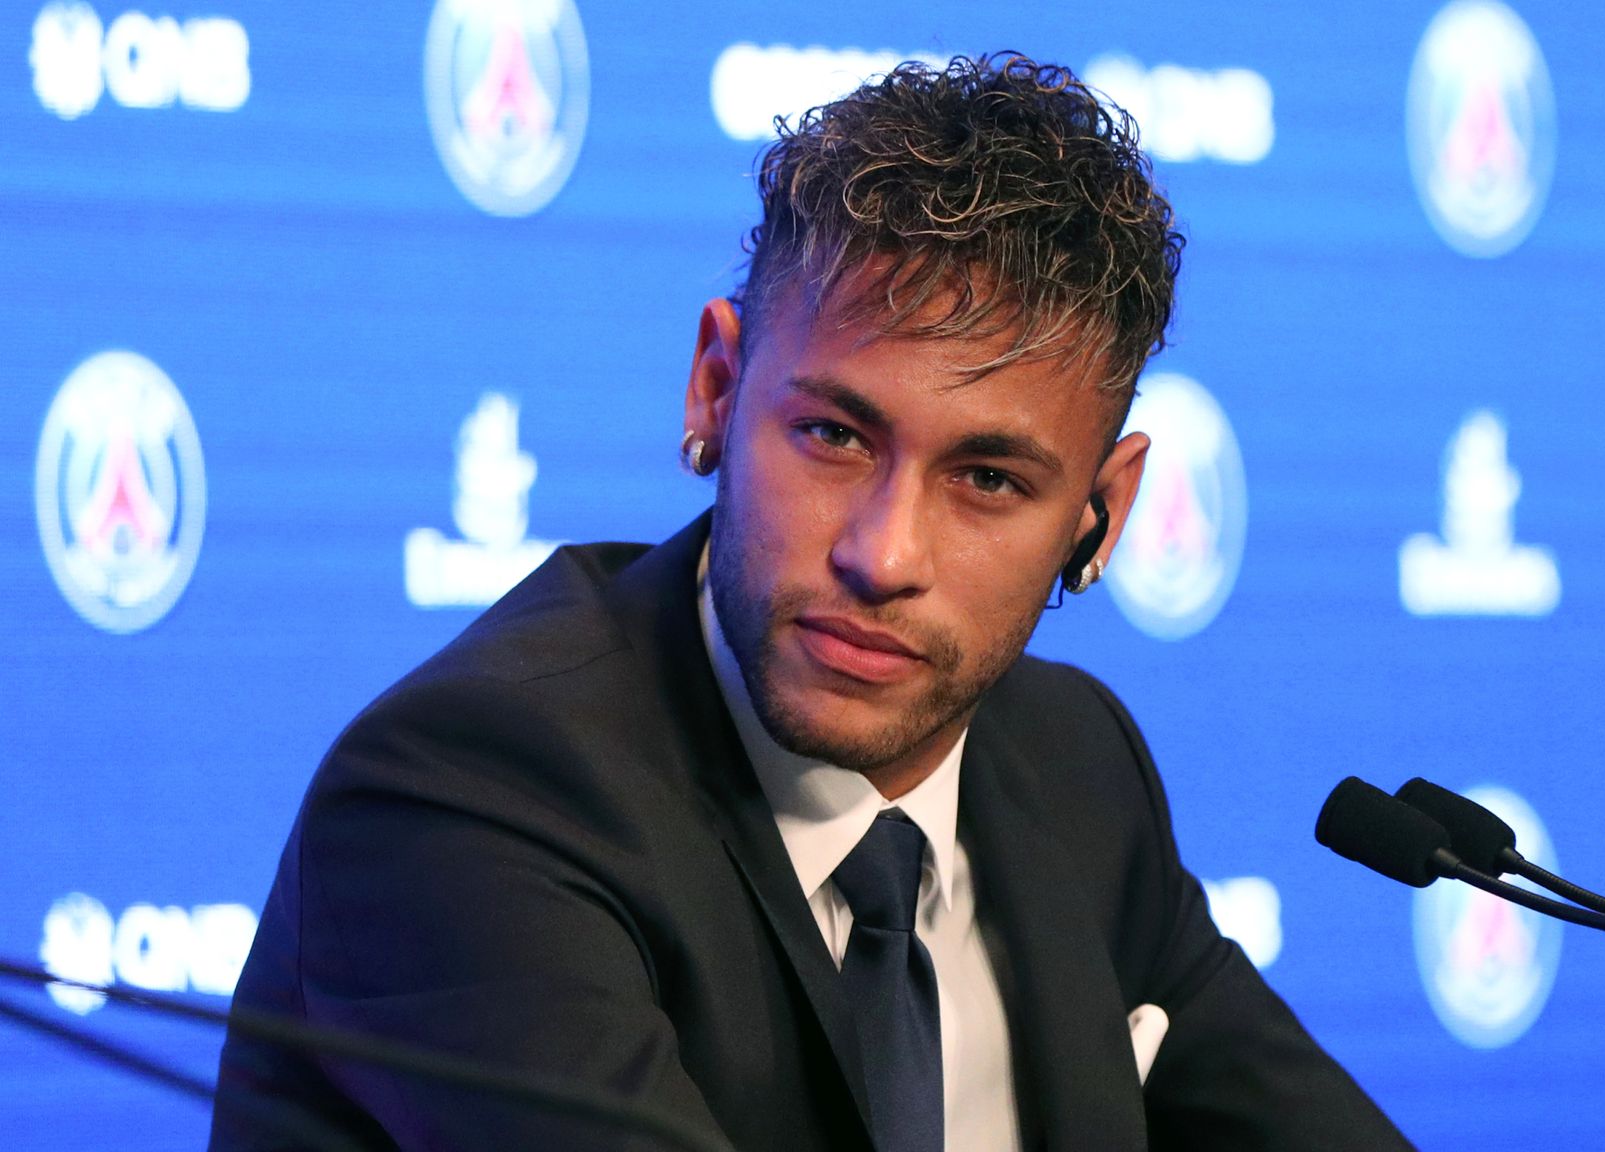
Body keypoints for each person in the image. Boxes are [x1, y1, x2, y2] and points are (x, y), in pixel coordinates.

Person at [211, 53, 1412, 1151]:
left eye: (988, 480)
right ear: (716, 386)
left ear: (1099, 511)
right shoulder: (471, 794)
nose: (881, 556)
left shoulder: (1075, 765)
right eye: (834, 435)